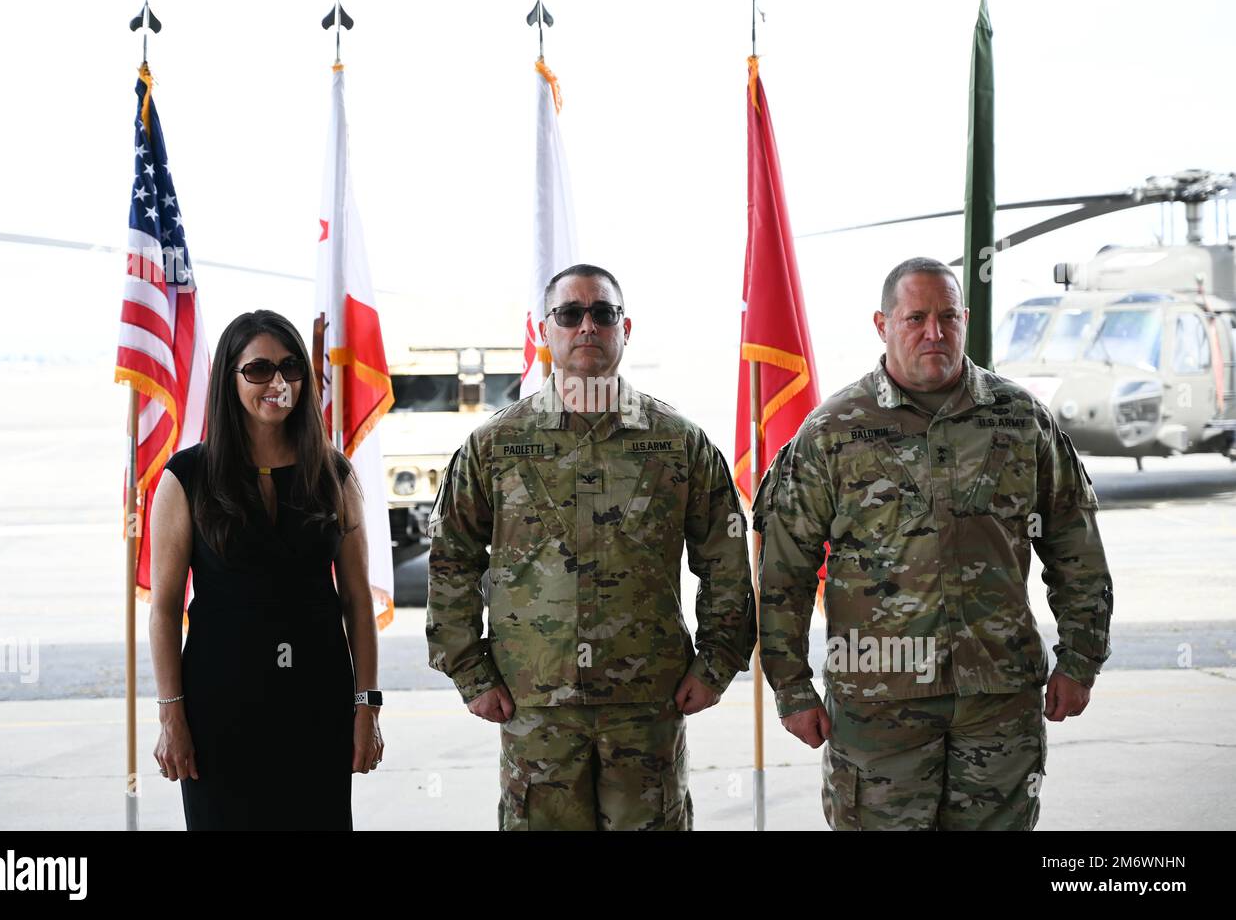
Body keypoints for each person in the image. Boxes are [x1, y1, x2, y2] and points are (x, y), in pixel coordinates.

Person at [754, 256, 1113, 831]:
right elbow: (784, 573)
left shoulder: (1019, 419)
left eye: (948, 317)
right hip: (879, 704)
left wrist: (1082, 658)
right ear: (882, 324)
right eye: (915, 317)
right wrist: (792, 688)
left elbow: (1075, 545)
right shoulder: (834, 429)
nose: (934, 332)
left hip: (998, 697)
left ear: (965, 319)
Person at [427, 263, 756, 831]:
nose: (587, 327)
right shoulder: (496, 444)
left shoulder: (678, 442)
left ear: (625, 328)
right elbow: (452, 557)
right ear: (543, 330)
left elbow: (725, 561)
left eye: (602, 314)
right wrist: (470, 674)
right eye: (570, 314)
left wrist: (717, 661)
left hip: (647, 706)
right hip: (535, 706)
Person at [149, 309, 384, 830]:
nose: (278, 383)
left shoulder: (333, 473)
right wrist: (172, 714)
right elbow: (164, 608)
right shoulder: (186, 476)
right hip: (219, 707)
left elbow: (356, 602)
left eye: (290, 367)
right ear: (229, 379)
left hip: (317, 702)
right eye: (258, 370)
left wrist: (367, 706)